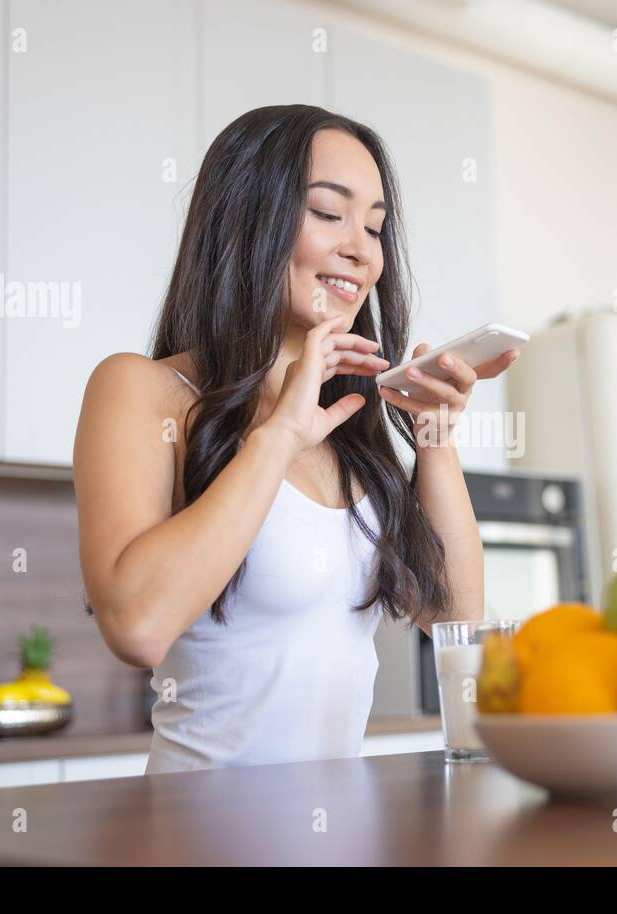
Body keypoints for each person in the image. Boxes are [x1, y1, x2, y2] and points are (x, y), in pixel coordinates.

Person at [72, 105, 518, 772]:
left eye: (374, 227)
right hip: (199, 834)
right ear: (248, 217)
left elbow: (454, 614)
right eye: (328, 213)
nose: (362, 251)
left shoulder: (348, 424)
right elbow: (137, 625)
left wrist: (435, 438)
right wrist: (277, 433)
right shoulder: (143, 390)